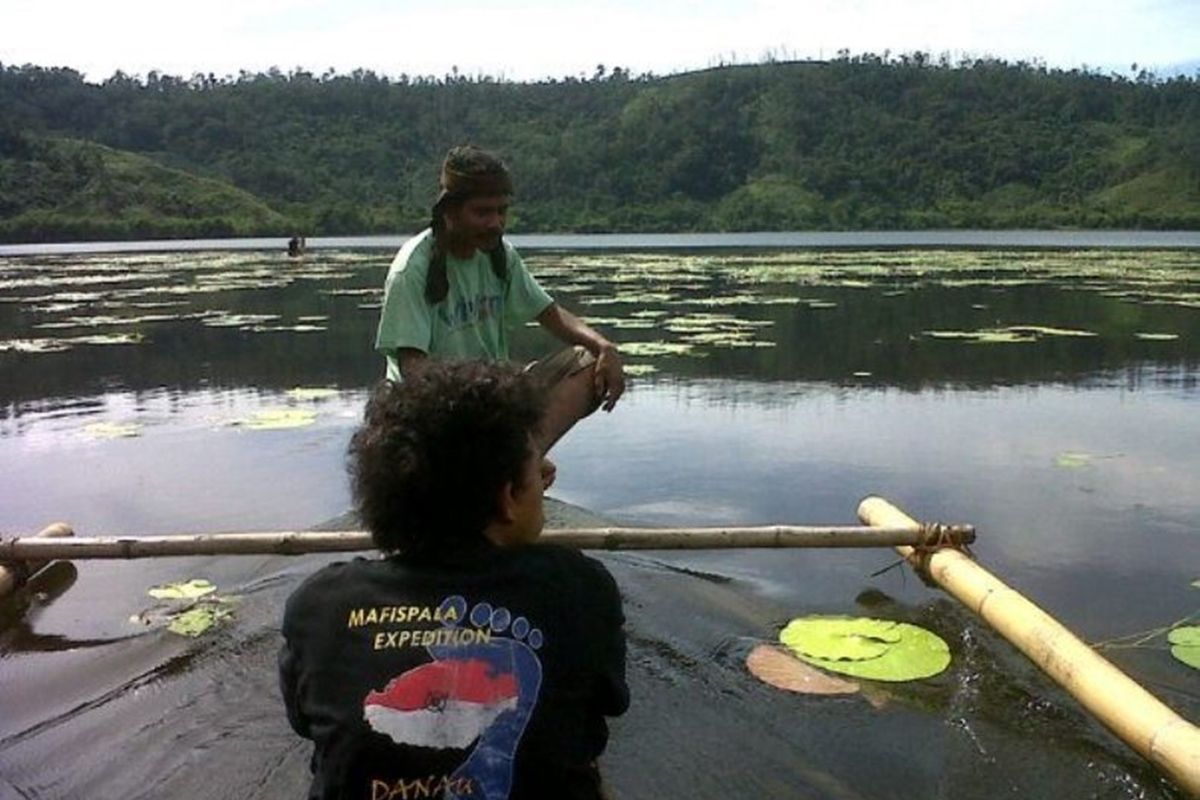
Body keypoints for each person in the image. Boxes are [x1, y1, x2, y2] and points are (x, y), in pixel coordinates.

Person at [279, 361, 629, 800]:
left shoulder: (318, 605)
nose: (544, 477)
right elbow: (609, 702)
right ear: (507, 499)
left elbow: (305, 723)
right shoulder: (578, 587)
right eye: (535, 468)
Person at [375, 145, 625, 451]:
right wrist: (473, 394)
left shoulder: (499, 255)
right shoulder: (412, 270)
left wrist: (603, 346)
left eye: (501, 211)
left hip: (493, 402)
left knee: (586, 363)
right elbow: (414, 373)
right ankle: (514, 465)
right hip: (435, 415)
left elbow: (549, 313)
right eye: (482, 212)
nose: (495, 223)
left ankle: (522, 461)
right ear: (449, 212)